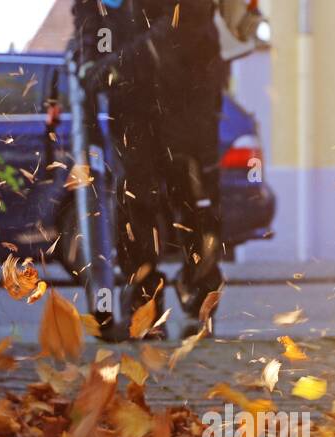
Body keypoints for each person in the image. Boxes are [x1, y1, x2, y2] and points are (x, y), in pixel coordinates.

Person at [71, 0, 227, 336]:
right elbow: (89, 28)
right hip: (132, 111)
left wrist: (114, 65)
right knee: (134, 204)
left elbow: (176, 29)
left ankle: (200, 299)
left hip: (186, 106)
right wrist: (87, 62)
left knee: (194, 206)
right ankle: (143, 304)